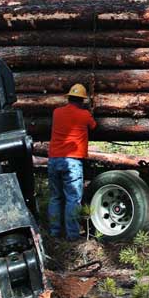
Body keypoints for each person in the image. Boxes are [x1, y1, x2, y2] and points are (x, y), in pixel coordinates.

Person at [47, 83, 97, 240]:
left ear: (69, 98)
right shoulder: (84, 115)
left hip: (54, 159)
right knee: (73, 199)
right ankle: (73, 235)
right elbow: (93, 126)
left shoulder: (56, 112)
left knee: (55, 198)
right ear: (82, 100)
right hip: (72, 161)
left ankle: (54, 232)